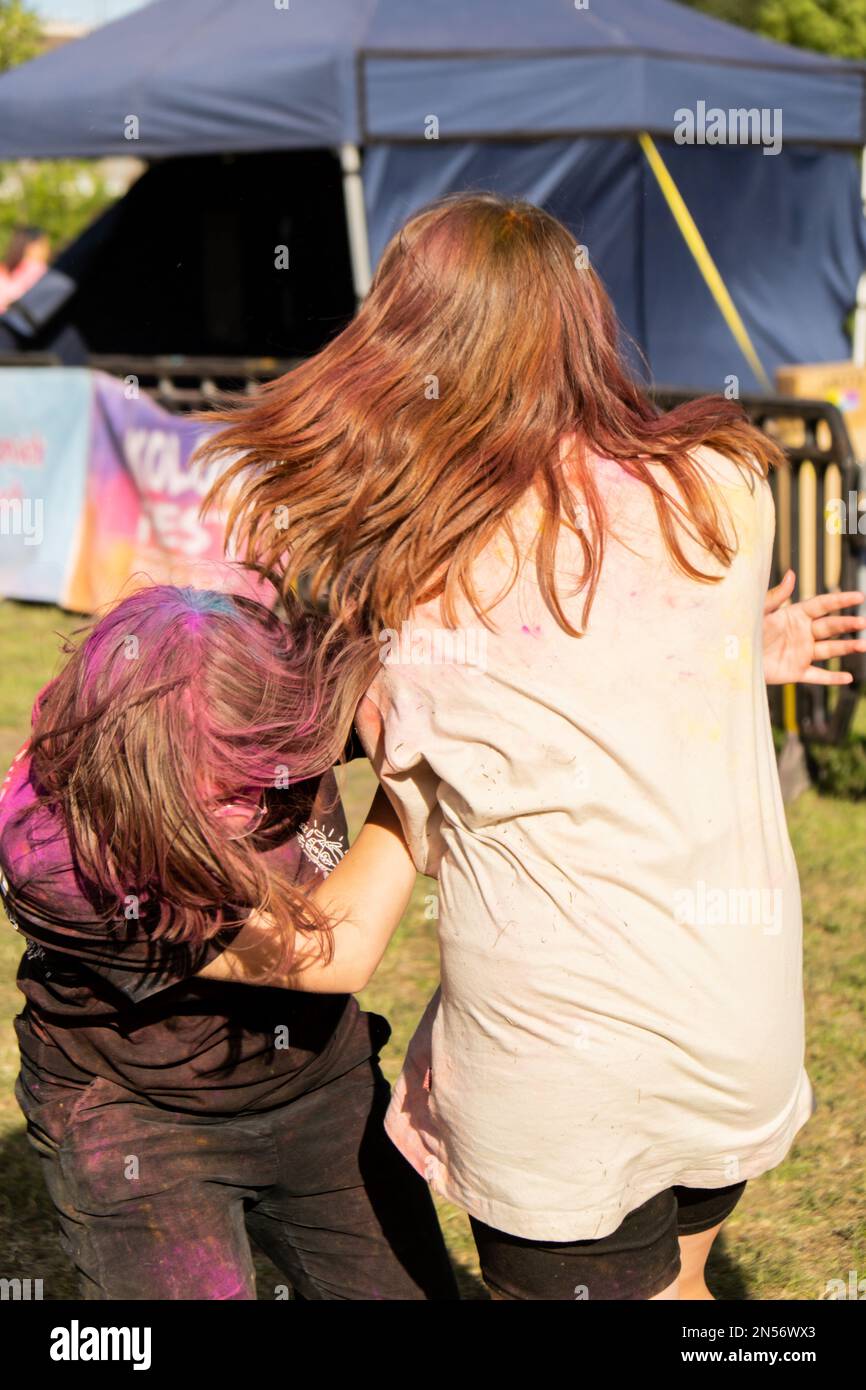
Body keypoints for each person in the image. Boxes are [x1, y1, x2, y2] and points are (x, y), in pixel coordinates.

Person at [199, 192, 866, 1301]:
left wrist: (127, 937)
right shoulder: (727, 487)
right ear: (585, 319)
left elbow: (367, 889)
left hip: (562, 1096)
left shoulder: (413, 586)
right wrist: (735, 652)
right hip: (732, 1031)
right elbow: (602, 637)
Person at [0, 584, 457, 1301]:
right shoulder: (60, 857)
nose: (255, 803)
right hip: (139, 1119)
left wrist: (398, 701)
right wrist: (414, 796)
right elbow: (331, 951)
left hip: (318, 1082)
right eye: (218, 790)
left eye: (265, 768)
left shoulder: (275, 695)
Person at [0, 226, 51, 313]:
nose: (48, 250)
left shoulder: (5, 269)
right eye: (44, 245)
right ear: (32, 246)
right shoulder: (38, 270)